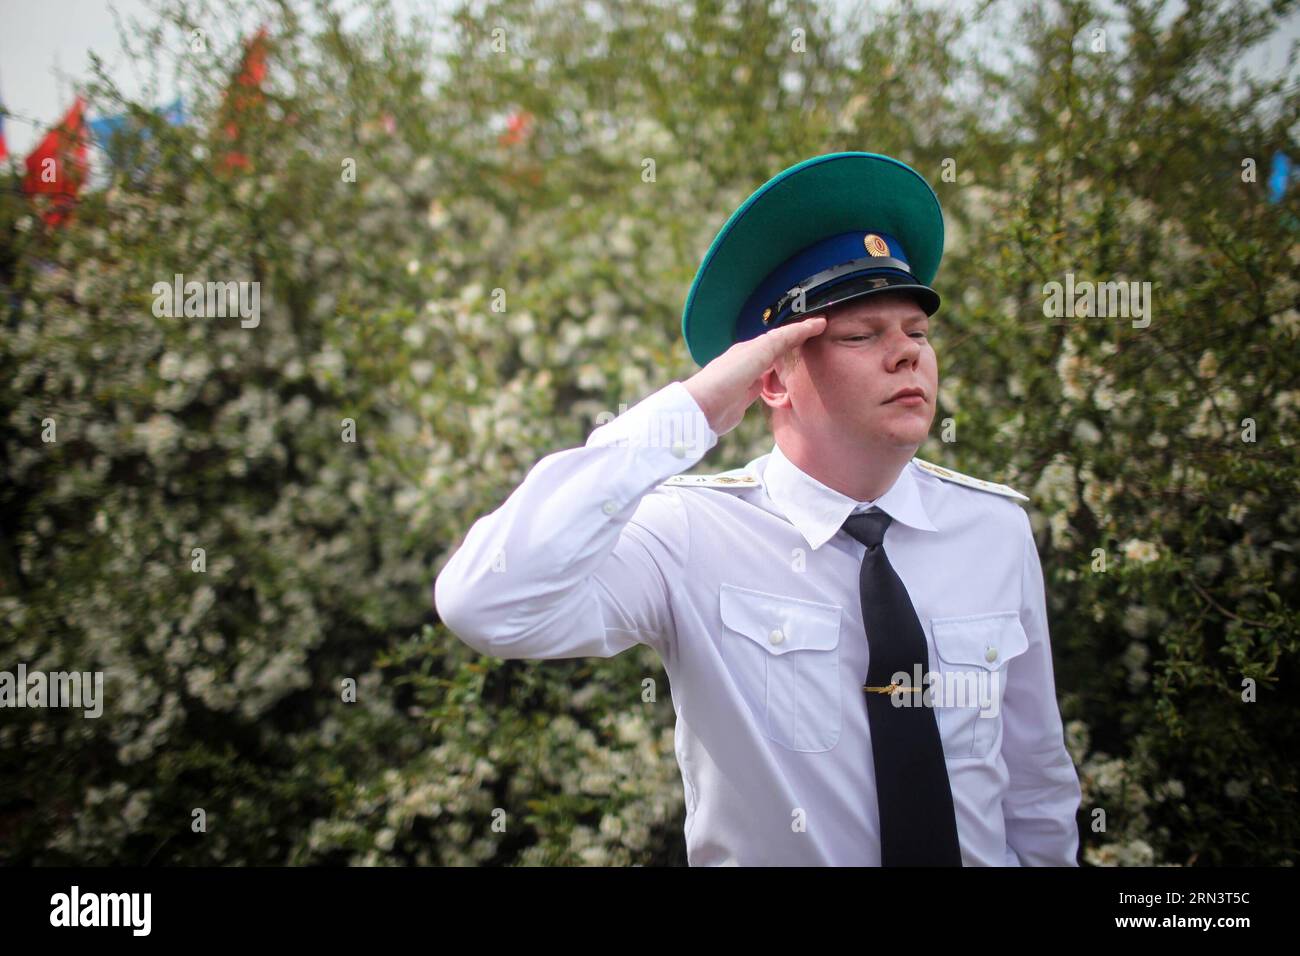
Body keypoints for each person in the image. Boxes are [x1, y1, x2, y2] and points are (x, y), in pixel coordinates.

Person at [434, 151, 1082, 866]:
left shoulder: (994, 529)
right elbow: (487, 603)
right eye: (862, 335)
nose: (907, 355)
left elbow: (1035, 783)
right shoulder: (689, 536)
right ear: (771, 377)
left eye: (917, 332)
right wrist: (692, 409)